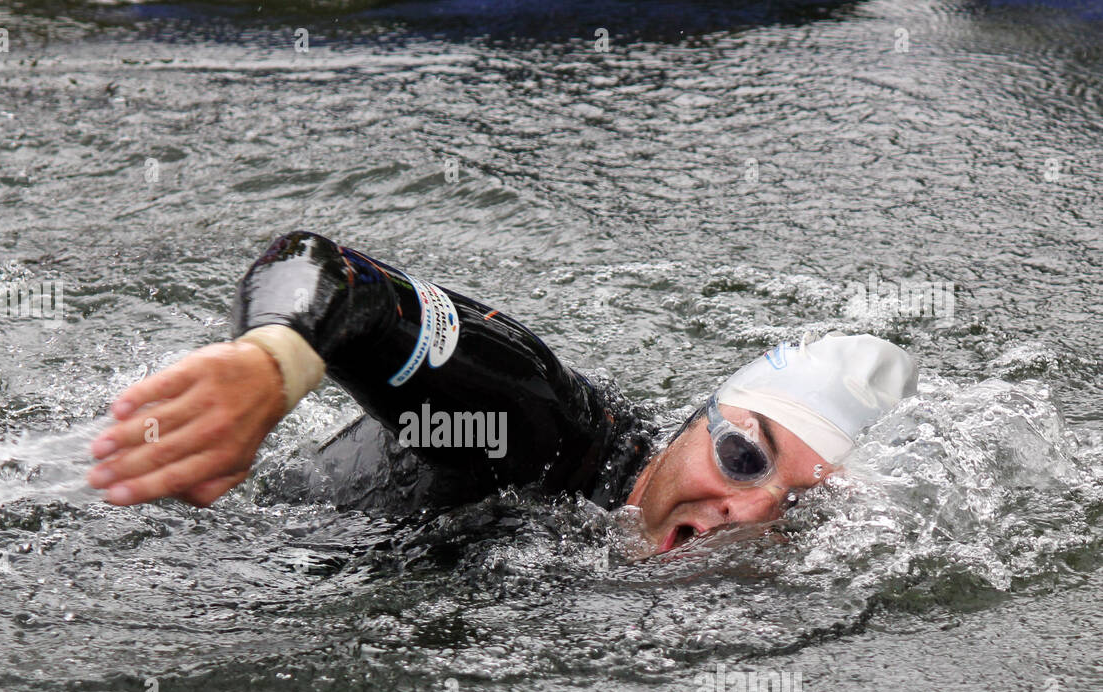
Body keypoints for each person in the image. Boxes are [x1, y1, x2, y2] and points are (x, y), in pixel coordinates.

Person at [85, 231, 917, 554]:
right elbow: (332, 276)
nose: (757, 510)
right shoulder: (537, 427)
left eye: (805, 510)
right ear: (695, 423)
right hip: (173, 529)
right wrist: (273, 366)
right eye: (744, 457)